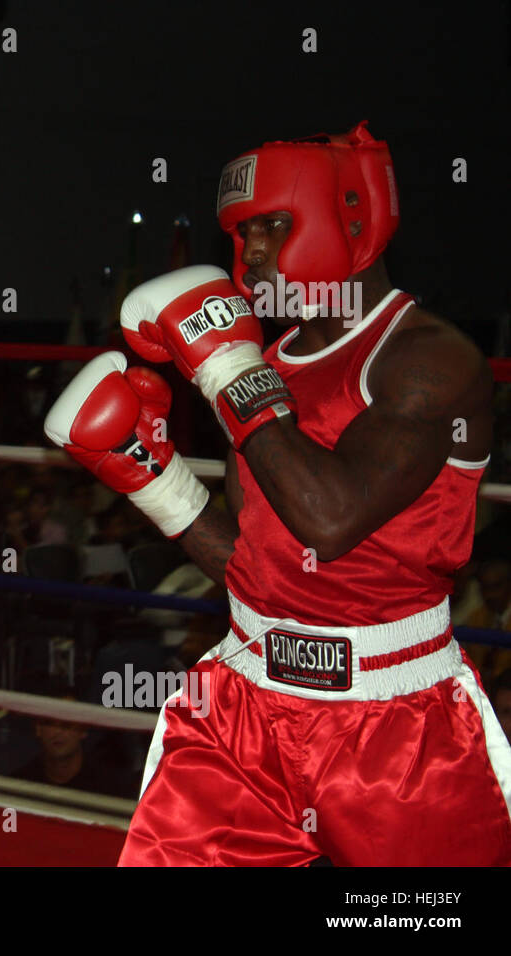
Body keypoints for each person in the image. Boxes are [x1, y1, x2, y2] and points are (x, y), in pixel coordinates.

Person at [46, 122, 511, 865]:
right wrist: (154, 479)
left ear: (350, 221)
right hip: (246, 701)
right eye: (240, 231)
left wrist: (228, 370)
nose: (252, 250)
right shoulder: (271, 362)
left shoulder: (428, 361)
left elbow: (330, 521)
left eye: (274, 224)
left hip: (396, 726)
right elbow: (260, 561)